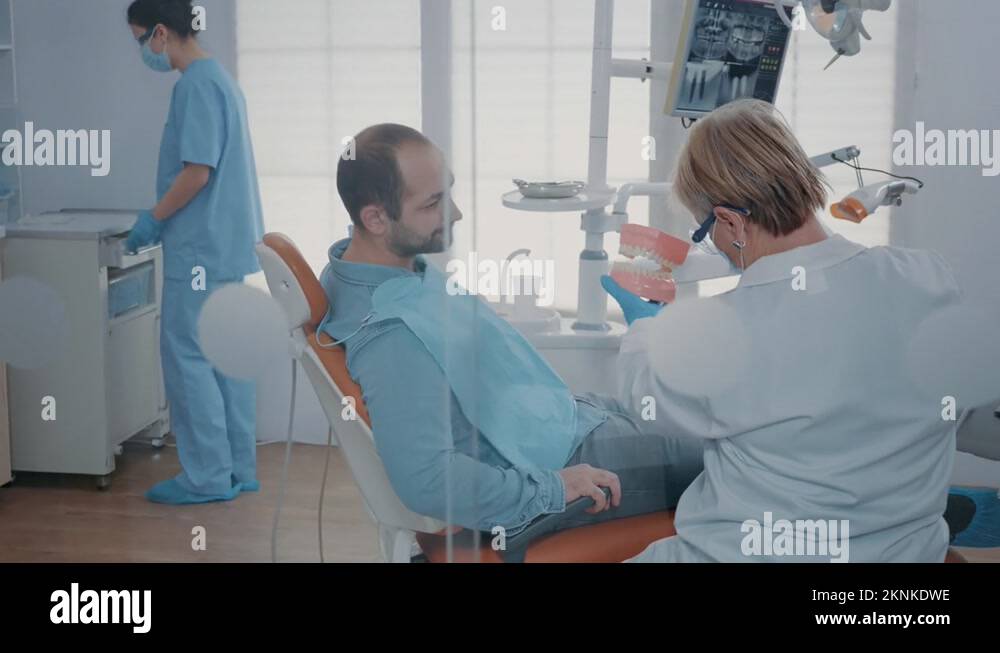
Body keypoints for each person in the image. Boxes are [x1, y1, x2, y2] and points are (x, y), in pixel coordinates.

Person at [604, 99, 962, 562]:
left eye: (703, 229)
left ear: (729, 221)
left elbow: (646, 404)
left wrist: (642, 332)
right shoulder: (925, 276)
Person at [318, 123, 705, 536]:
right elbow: (427, 480)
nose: (455, 213)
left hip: (568, 420)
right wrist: (554, 488)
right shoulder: (392, 336)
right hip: (562, 461)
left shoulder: (365, 265)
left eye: (448, 192)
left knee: (709, 419)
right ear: (375, 218)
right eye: (433, 203)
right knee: (734, 456)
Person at [126, 0, 264, 504]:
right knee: (224, 356)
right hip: (225, 248)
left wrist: (152, 219)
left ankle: (206, 476)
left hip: (200, 251)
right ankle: (239, 468)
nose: (144, 50)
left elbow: (196, 172)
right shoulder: (220, 80)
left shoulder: (195, 86)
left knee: (188, 357)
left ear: (161, 32)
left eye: (142, 39)